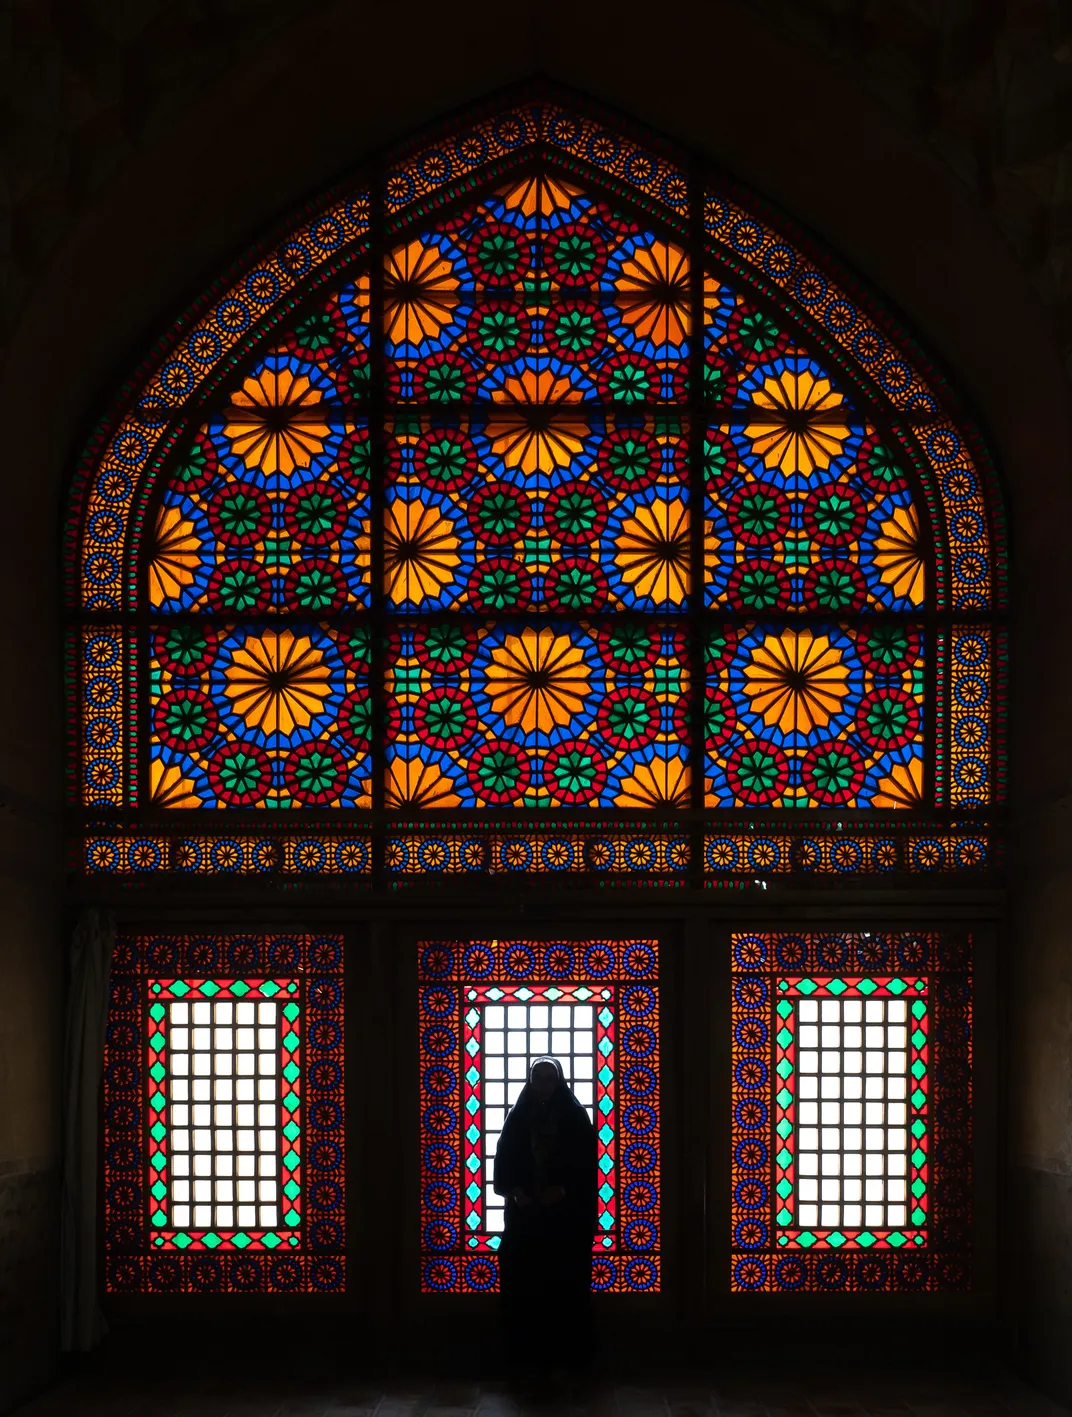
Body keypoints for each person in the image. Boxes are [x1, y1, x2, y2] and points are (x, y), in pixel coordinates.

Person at [492, 1057, 598, 1384]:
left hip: (565, 1221)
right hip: (526, 1219)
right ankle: (525, 1357)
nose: (543, 1084)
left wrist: (563, 1190)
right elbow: (505, 1160)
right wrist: (514, 1192)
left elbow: (586, 1165)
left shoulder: (574, 1118)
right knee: (525, 1285)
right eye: (538, 1078)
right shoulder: (519, 1117)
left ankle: (566, 1358)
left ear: (559, 1081)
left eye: (549, 1078)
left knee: (563, 1286)